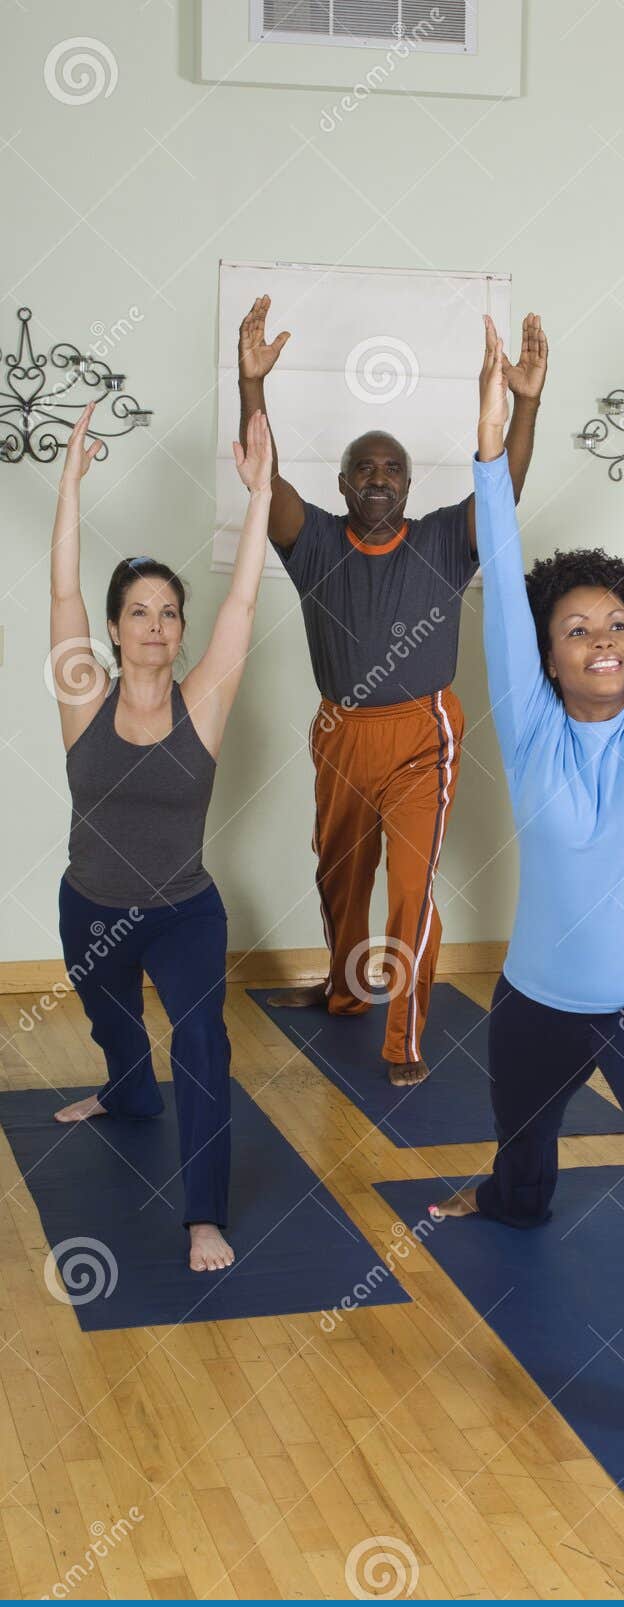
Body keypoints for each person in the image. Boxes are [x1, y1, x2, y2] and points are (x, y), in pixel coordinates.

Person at [432, 306, 624, 1464]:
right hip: (536, 998)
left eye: (615, 623)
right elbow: (500, 583)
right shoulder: (526, 720)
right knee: (522, 1142)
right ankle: (512, 1196)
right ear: (547, 654)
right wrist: (487, 446)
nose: (599, 637)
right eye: (574, 627)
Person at [237, 296, 547, 1085]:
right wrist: (250, 385)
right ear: (342, 483)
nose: (378, 479)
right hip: (340, 733)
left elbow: (503, 489)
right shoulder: (311, 540)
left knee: (409, 888)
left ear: (408, 484)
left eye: (392, 469)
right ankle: (344, 991)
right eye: (364, 469)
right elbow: (261, 474)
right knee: (339, 874)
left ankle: (402, 1036)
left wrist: (526, 403)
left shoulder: (443, 538)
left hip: (420, 736)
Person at [49, 401, 274, 1271]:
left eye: (169, 612)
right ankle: (124, 1091)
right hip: (90, 907)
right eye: (138, 611)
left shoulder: (203, 701)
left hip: (183, 911)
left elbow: (244, 599)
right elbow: (62, 592)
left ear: (181, 630)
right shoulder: (82, 696)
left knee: (203, 1040)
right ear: (112, 629)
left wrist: (260, 495)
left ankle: (202, 1216)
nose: (154, 624)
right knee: (113, 1027)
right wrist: (70, 484)